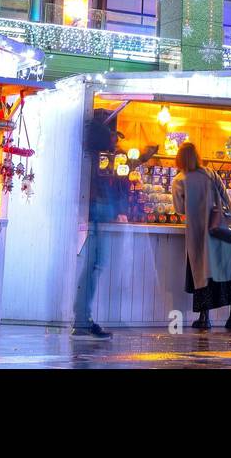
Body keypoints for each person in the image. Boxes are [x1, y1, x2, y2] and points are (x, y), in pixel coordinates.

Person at [71, 109, 155, 338]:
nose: (114, 143)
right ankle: (82, 318)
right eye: (112, 138)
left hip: (97, 215)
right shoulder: (97, 164)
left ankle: (83, 317)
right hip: (98, 216)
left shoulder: (93, 162)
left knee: (94, 264)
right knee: (95, 264)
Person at [172, 142, 231, 330]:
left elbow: (179, 209)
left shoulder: (179, 180)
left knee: (203, 275)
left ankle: (204, 317)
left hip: (200, 235)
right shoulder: (210, 173)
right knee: (229, 274)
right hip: (221, 232)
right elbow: (226, 200)